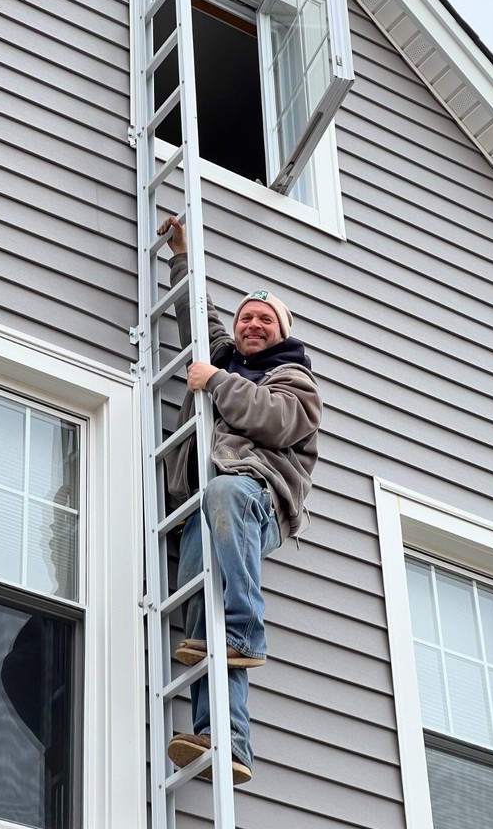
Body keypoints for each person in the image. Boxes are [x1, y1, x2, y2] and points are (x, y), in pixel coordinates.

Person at [158, 216, 322, 785]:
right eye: (246, 317)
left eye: (264, 319)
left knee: (227, 493)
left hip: (258, 500)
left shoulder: (294, 378)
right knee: (206, 623)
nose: (252, 324)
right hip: (210, 506)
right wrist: (180, 255)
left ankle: (248, 629)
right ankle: (225, 741)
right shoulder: (225, 357)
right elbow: (196, 316)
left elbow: (271, 421)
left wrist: (214, 382)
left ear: (280, 331)